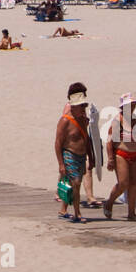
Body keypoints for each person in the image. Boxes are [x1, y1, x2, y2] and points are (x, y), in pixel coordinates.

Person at [55, 84, 95, 222]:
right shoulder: (65, 120)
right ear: (73, 106)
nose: (84, 109)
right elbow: (58, 143)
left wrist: (91, 156)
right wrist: (61, 164)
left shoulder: (83, 120)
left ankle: (63, 209)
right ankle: (77, 214)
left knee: (72, 185)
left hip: (81, 156)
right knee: (76, 183)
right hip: (69, 154)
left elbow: (87, 139)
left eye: (84, 106)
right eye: (81, 106)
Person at [104, 94, 136, 222]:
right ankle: (109, 202)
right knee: (123, 183)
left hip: (135, 154)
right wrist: (110, 159)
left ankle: (131, 213)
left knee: (134, 184)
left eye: (134, 105)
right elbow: (109, 141)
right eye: (130, 105)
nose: (133, 107)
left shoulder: (135, 119)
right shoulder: (118, 120)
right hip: (121, 154)